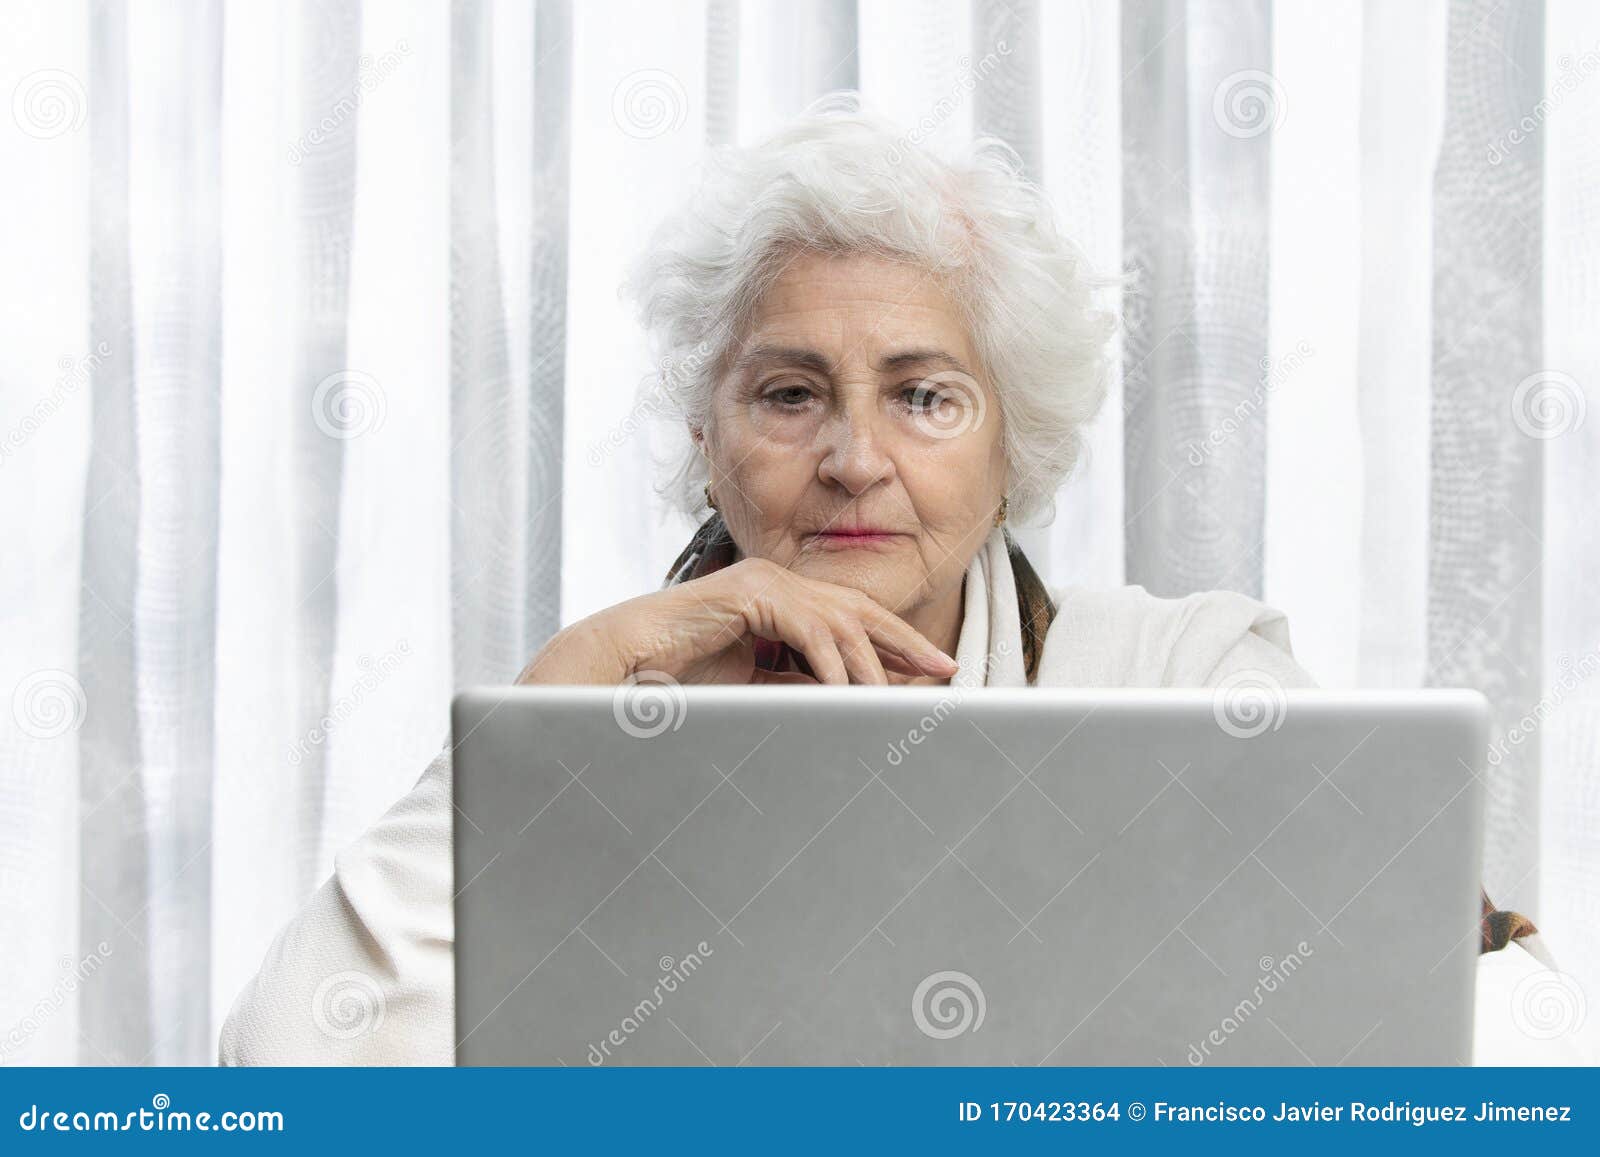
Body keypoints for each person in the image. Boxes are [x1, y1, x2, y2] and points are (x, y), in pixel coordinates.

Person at [219, 94, 1568, 1065]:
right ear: (707, 431)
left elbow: (1520, 1048)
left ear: (1011, 440)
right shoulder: (599, 720)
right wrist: (564, 690)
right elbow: (289, 1076)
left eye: (924, 396)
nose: (854, 458)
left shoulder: (1188, 677)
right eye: (790, 393)